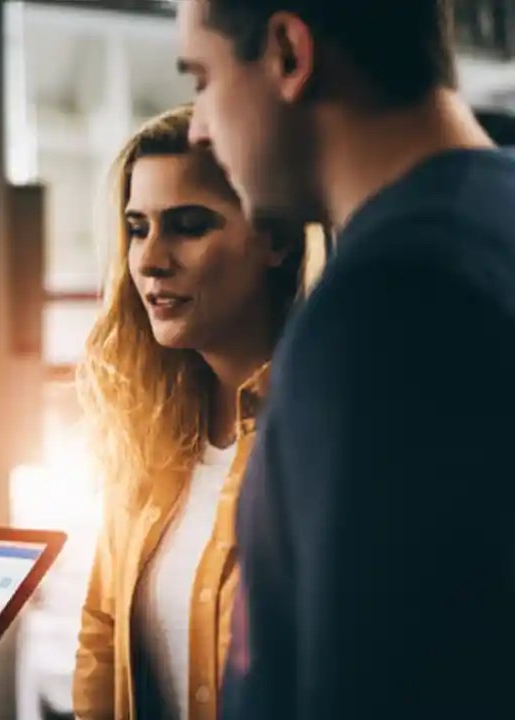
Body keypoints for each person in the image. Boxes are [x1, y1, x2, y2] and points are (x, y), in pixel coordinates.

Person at [174, 2, 515, 718]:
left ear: (289, 55)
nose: (199, 127)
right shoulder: (484, 233)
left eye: (202, 79)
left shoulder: (388, 307)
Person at [73, 104, 308, 720]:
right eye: (137, 227)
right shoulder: (148, 436)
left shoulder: (322, 439)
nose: (151, 260)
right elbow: (101, 635)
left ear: (276, 241)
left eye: (188, 225)